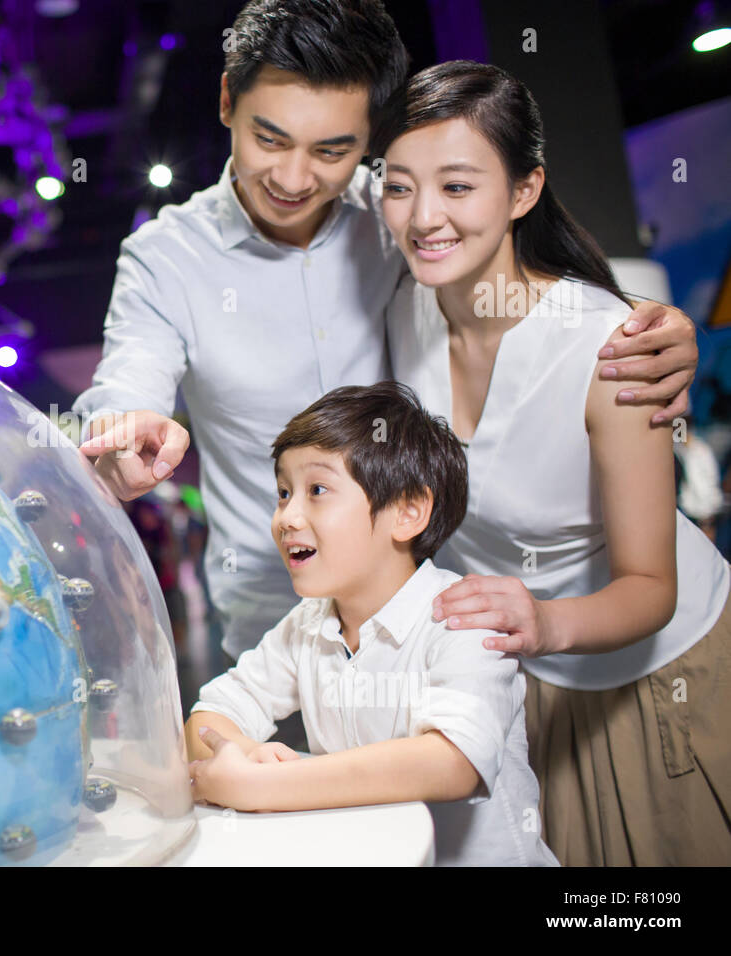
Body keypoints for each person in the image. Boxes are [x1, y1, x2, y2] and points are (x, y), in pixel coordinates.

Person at [72, 0, 700, 666]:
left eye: (331, 151)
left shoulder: (402, 214)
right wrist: (124, 431)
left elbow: (522, 280)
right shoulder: (166, 257)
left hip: (433, 629)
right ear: (228, 100)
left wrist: (651, 322)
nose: (292, 179)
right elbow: (127, 379)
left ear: (370, 137)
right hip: (281, 635)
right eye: (271, 139)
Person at [373, 60, 731, 865]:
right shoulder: (407, 310)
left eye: (459, 187)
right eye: (400, 187)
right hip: (530, 678)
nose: (424, 216)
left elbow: (649, 587)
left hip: (658, 675)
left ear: (524, 191)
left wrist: (540, 623)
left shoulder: (610, 348)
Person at [184, 381, 558, 866]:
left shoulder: (463, 616)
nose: (286, 516)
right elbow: (209, 715)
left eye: (317, 490)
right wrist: (243, 755)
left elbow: (452, 763)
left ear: (408, 512)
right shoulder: (308, 625)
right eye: (282, 492)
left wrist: (269, 783)